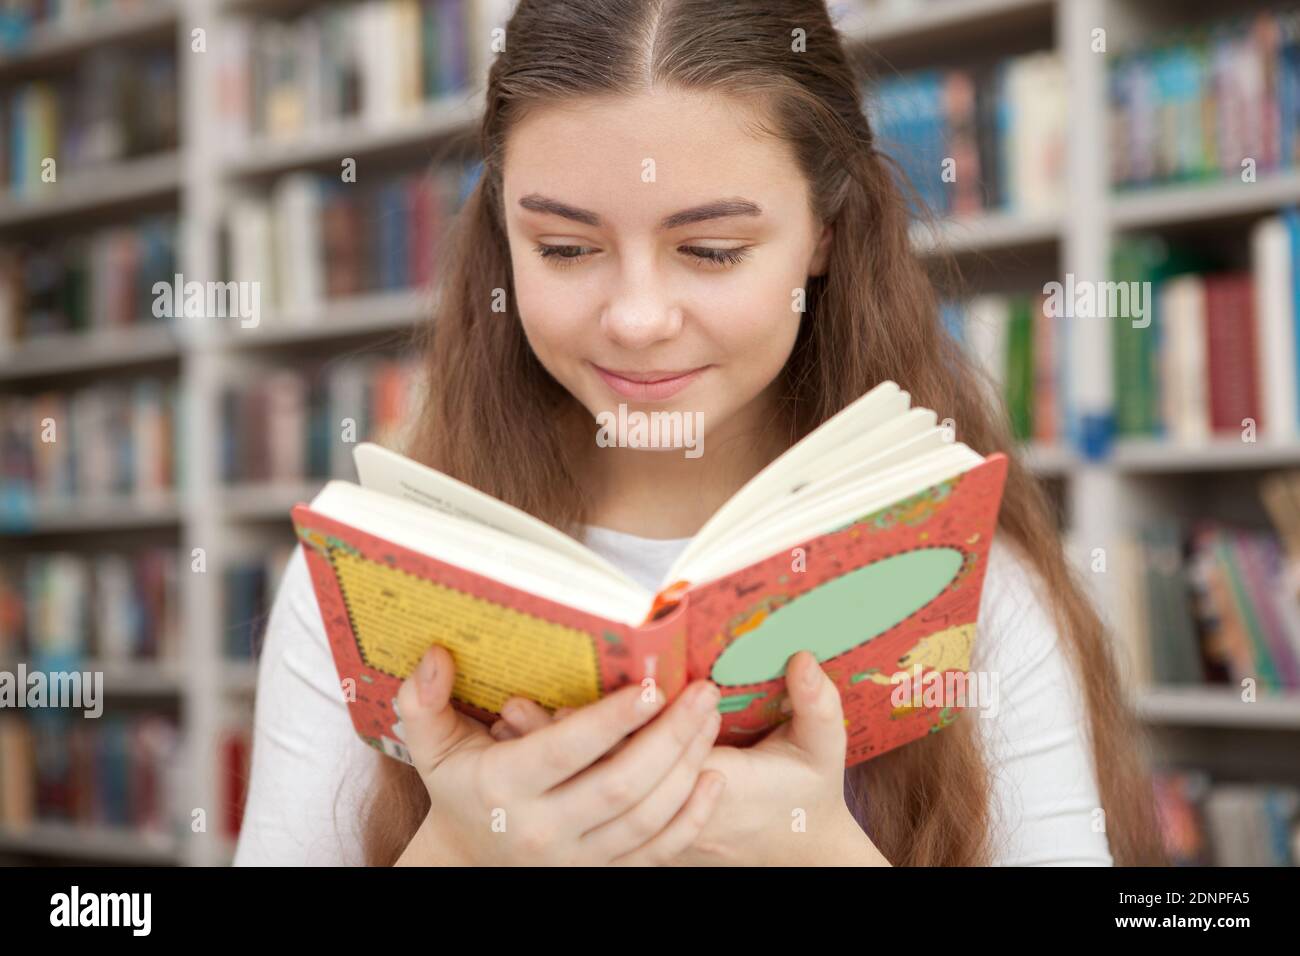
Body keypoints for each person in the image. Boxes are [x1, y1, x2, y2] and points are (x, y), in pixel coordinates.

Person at [234, 0, 1165, 867]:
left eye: (712, 251)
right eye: (564, 249)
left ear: (826, 233)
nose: (637, 319)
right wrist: (455, 854)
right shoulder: (362, 589)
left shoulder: (977, 590)